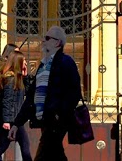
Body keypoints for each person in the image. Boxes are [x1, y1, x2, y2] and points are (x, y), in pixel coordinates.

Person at [26, 26, 81, 161]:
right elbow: (32, 95)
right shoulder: (43, 64)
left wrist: (59, 114)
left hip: (56, 120)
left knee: (43, 154)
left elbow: (74, 92)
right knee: (55, 154)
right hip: (44, 120)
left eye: (47, 38)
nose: (43, 41)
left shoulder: (66, 62)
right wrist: (17, 123)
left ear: (57, 43)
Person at [0, 42, 32, 161]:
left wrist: (25, 76)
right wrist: (7, 121)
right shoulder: (10, 78)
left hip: (16, 118)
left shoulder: (16, 77)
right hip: (12, 120)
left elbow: (27, 92)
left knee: (11, 146)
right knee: (14, 146)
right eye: (23, 60)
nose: (26, 62)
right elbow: (7, 101)